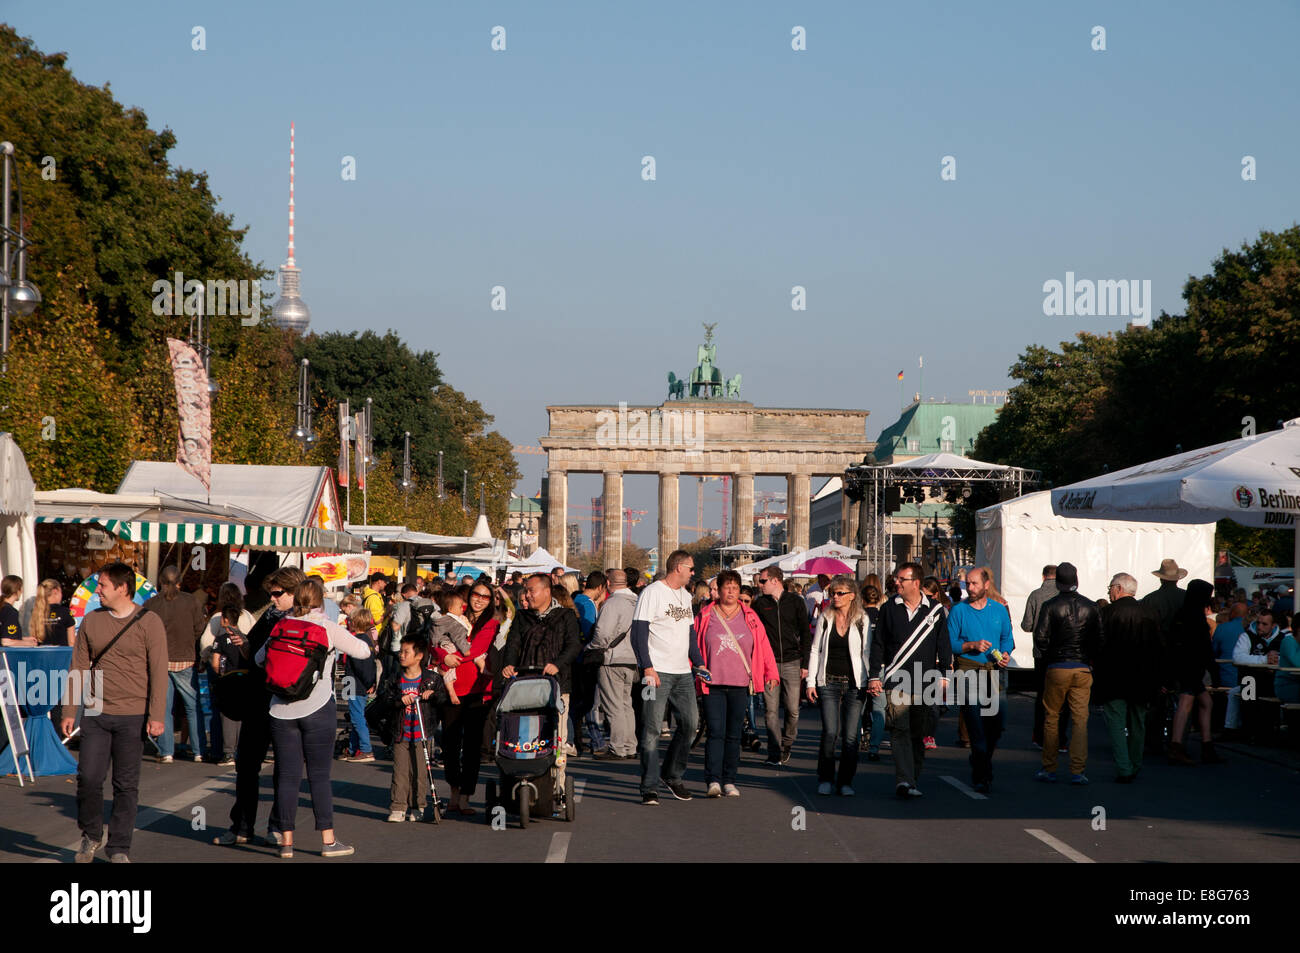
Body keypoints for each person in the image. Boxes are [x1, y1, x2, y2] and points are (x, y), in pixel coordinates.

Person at [60, 561, 168, 863]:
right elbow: (78, 666)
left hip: (133, 714)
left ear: (123, 588)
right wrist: (70, 710)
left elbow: (159, 671)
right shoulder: (92, 621)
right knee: (89, 778)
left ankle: (119, 846)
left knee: (126, 784)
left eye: (103, 585)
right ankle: (92, 833)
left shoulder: (150, 622)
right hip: (95, 710)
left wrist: (157, 715)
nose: (98, 591)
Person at [256, 578, 371, 858]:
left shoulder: (280, 626)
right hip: (318, 708)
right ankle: (328, 842)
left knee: (287, 777)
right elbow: (363, 651)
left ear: (296, 600)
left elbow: (260, 658)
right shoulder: (328, 628)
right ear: (321, 601)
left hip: (280, 709)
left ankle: (286, 842)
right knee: (319, 776)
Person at [211, 567, 302, 847]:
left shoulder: (303, 621)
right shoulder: (270, 616)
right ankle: (241, 825)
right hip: (257, 699)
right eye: (271, 593)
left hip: (285, 701)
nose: (272, 599)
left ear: (294, 592)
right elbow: (256, 655)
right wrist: (245, 644)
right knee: (247, 765)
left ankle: (277, 826)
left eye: (277, 593)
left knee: (284, 770)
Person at [868, 562, 950, 799]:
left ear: (916, 582)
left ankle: (912, 777)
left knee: (917, 733)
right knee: (899, 730)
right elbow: (878, 644)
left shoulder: (935, 610)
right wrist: (875, 675)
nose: (897, 582)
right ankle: (903, 780)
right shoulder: (889, 609)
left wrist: (945, 674)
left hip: (925, 681)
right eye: (896, 578)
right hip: (897, 680)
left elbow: (943, 643)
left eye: (901, 579)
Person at [501, 572, 581, 809]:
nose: (526, 595)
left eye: (531, 590)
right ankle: (522, 779)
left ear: (547, 591)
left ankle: (557, 786)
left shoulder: (565, 616)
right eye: (525, 590)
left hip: (556, 685)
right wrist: (508, 664)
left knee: (558, 738)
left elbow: (574, 644)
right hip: (525, 685)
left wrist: (557, 663)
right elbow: (513, 643)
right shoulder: (523, 617)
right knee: (525, 735)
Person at [695, 570, 778, 797]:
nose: (731, 591)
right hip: (712, 684)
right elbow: (693, 645)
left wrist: (771, 673)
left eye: (735, 587)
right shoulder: (704, 615)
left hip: (740, 683)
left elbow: (763, 646)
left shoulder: (750, 616)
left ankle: (729, 780)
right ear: (718, 591)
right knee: (715, 732)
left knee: (733, 734)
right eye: (726, 587)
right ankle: (713, 779)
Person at [631, 550, 704, 804]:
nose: (693, 573)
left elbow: (690, 634)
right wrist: (647, 667)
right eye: (691, 568)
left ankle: (672, 774)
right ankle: (649, 786)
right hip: (656, 672)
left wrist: (699, 663)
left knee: (690, 724)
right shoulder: (652, 593)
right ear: (679, 567)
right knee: (651, 729)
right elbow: (638, 633)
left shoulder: (685, 596)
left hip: (683, 673)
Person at [1032, 562, 1102, 784]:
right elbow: (1100, 639)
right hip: (1082, 667)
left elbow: (1040, 637)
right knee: (1080, 720)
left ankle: (1049, 767)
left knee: (1052, 717)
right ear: (1076, 581)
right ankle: (1077, 769)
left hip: (1057, 665)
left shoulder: (1050, 606)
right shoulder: (1091, 607)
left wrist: (1048, 656)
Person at [947, 567, 1014, 794]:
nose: (970, 588)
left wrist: (1005, 654)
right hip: (968, 670)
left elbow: (1008, 639)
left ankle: (980, 760)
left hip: (994, 671)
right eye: (968, 584)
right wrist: (970, 645)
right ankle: (981, 775)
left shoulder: (999, 610)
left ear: (986, 585)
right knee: (975, 724)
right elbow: (950, 643)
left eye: (974, 583)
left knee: (996, 725)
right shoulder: (959, 611)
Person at [370, 633, 449, 821]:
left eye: (406, 652)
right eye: (401, 651)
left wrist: (434, 695)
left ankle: (418, 805)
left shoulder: (431, 678)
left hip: (423, 733)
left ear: (419, 656)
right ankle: (398, 807)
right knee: (400, 771)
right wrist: (398, 700)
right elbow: (384, 698)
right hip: (401, 732)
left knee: (420, 772)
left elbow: (443, 698)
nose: (401, 655)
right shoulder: (395, 679)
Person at [805, 575, 871, 796]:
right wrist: (811, 682)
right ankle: (825, 778)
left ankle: (845, 781)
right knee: (830, 731)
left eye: (840, 593)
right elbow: (815, 650)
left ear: (852, 596)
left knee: (851, 736)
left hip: (855, 683)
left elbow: (867, 651)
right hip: (828, 681)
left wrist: (871, 679)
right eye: (833, 593)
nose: (835, 596)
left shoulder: (862, 618)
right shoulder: (825, 617)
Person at [1095, 573, 1164, 782]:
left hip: (1114, 677)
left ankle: (1124, 767)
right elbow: (1159, 647)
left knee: (1116, 723)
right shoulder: (1150, 613)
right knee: (1138, 722)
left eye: (1110, 588)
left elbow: (1098, 645)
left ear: (1118, 588)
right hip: (1142, 678)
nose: (1108, 591)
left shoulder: (1107, 613)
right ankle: (1135, 763)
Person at [437, 581, 498, 815]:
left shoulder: (491, 623)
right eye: (476, 594)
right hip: (451, 687)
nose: (480, 599)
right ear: (469, 596)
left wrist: (454, 657)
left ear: (490, 600)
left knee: (473, 745)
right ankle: (453, 790)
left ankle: (465, 796)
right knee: (450, 744)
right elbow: (434, 641)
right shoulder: (451, 616)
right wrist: (443, 656)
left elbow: (474, 648)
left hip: (477, 689)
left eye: (485, 596)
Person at [144, 565, 208, 763]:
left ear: (161, 582)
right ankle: (198, 751)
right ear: (179, 582)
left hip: (159, 661)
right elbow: (200, 628)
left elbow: (145, 634)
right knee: (192, 707)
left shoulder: (151, 604)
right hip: (185, 659)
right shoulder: (192, 602)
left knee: (163, 707)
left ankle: (166, 751)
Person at [752, 566, 811, 766]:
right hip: (769, 663)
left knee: (793, 709)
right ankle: (774, 750)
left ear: (775, 581)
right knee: (770, 710)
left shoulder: (795, 602)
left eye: (762, 581)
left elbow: (805, 632)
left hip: (793, 660)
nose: (759, 585)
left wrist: (805, 662)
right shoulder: (760, 604)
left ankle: (787, 743)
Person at [1166, 580, 1226, 766]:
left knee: (1203, 702)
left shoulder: (1181, 614)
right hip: (1193, 667)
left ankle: (1204, 745)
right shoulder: (1197, 618)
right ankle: (1179, 745)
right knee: (1188, 703)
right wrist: (1214, 672)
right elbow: (1205, 648)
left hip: (1183, 666)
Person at [199, 583, 254, 766]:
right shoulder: (247, 616)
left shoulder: (217, 618)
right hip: (244, 671)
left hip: (223, 672)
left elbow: (205, 643)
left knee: (219, 711)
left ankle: (219, 750)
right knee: (242, 711)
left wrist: (206, 658)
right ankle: (240, 749)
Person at [589, 569, 640, 759]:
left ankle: (617, 747)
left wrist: (592, 648)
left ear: (608, 584)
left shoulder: (612, 603)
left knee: (613, 705)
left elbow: (602, 634)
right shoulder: (637, 602)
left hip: (612, 659)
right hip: (632, 659)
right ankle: (630, 746)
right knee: (627, 704)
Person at [1021, 564, 1062, 749]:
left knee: (1042, 695)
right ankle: (1060, 739)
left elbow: (1027, 625)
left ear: (1043, 576)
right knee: (1061, 697)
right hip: (1062, 654)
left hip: (1040, 653)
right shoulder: (1064, 596)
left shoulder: (1035, 595)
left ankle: (1039, 736)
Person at [570, 570, 608, 756]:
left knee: (581, 701)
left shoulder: (578, 600)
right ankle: (593, 739)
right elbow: (592, 632)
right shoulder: (588, 604)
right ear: (600, 588)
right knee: (588, 702)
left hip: (576, 658)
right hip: (585, 658)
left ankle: (577, 739)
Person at [338, 607, 380, 763]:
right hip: (356, 683)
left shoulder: (357, 641)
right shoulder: (367, 640)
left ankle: (365, 749)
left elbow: (362, 667)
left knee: (357, 717)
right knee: (354, 716)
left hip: (355, 683)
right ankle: (353, 748)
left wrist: (370, 682)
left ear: (354, 622)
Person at [37, 578, 75, 645]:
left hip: (41, 654)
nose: (61, 595)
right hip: (61, 654)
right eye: (61, 592)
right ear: (55, 591)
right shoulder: (66, 612)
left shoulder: (35, 612)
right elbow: (72, 642)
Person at [0, 575, 36, 646]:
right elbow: (6, 642)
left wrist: (24, 639)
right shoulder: (10, 612)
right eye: (21, 588)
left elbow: (5, 634)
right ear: (17, 590)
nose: (22, 591)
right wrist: (29, 643)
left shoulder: (3, 608)